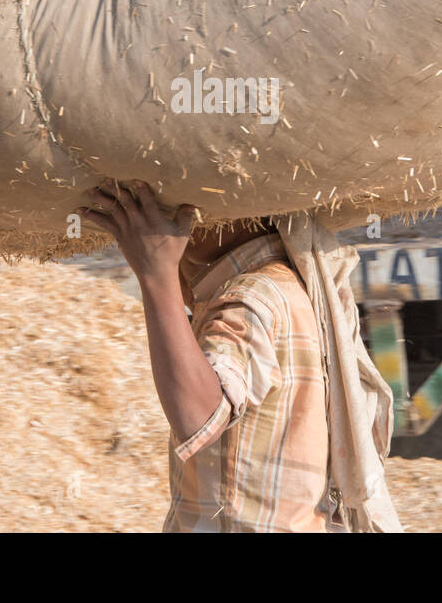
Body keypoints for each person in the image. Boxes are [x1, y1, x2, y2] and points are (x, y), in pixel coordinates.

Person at [79, 179, 402, 533]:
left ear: (239, 217)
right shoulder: (288, 286)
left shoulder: (251, 297)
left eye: (186, 216)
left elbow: (199, 415)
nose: (176, 232)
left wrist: (157, 275)